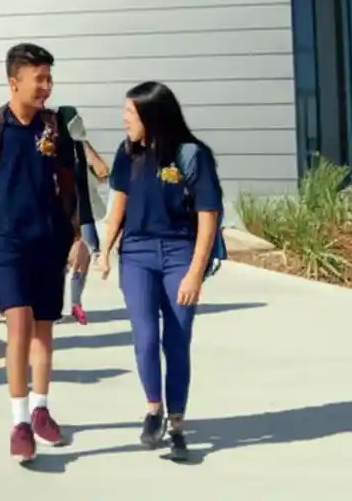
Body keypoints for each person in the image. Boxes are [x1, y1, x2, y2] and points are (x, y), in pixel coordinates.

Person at [95, 81, 223, 462]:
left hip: (179, 254)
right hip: (136, 254)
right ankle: (154, 411)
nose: (124, 120)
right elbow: (119, 202)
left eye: (130, 114)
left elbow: (208, 216)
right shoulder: (127, 153)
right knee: (146, 337)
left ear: (152, 117)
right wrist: (105, 250)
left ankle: (178, 423)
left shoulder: (190, 155)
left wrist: (195, 274)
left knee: (177, 340)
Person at [0, 42, 78, 463]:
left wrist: (75, 237)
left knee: (45, 328)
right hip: (6, 242)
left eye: (49, 78)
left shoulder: (55, 129)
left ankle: (42, 409)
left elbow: (69, 187)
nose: (46, 86)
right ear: (14, 82)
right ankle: (19, 422)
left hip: (48, 240)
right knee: (20, 326)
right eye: (39, 79)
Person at [56, 105, 111, 325]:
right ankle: (54, 306)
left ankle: (76, 303)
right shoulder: (53, 148)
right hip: (61, 210)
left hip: (83, 210)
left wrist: (83, 141)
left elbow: (103, 171)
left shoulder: (79, 149)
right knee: (59, 260)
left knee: (85, 256)